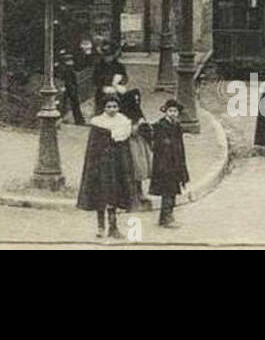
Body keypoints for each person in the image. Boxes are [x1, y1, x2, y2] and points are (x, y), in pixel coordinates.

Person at [76, 94, 138, 239]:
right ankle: (100, 227)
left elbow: (125, 148)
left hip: (117, 165)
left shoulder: (123, 122)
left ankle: (113, 227)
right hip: (101, 165)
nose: (112, 109)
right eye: (109, 106)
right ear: (104, 108)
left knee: (114, 195)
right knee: (101, 195)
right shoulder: (98, 123)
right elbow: (93, 148)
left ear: (119, 107)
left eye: (115, 106)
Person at [147, 99, 190, 227]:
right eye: (170, 110)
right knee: (168, 191)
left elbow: (180, 146)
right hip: (164, 164)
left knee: (172, 190)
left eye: (175, 111)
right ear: (166, 111)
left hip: (175, 163)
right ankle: (167, 218)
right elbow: (156, 143)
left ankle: (164, 217)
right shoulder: (161, 126)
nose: (172, 113)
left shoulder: (176, 125)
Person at [112, 77, 152, 209]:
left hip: (138, 143)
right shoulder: (119, 106)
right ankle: (132, 195)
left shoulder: (133, 104)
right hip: (128, 142)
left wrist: (142, 125)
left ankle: (139, 193)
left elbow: (142, 120)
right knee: (132, 168)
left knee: (139, 168)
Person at [56, 50, 84, 125]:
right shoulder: (67, 69)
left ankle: (62, 118)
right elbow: (67, 80)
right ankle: (78, 120)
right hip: (69, 88)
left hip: (68, 88)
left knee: (65, 104)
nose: (71, 62)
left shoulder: (64, 68)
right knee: (72, 104)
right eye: (70, 60)